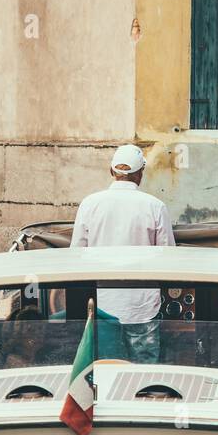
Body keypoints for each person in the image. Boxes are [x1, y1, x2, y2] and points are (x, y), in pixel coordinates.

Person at [71, 143, 174, 364]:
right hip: (143, 306)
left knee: (106, 369)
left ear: (112, 172)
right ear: (140, 174)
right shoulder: (155, 207)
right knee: (144, 376)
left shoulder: (89, 205)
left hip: (102, 305)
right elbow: (168, 259)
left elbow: (76, 256)